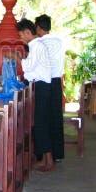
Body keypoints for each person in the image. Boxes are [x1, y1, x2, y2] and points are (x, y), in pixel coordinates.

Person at [13, 18, 55, 172]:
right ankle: (45, 159)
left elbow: (28, 68)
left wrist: (17, 58)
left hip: (42, 87)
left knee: (41, 124)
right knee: (41, 123)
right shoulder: (36, 46)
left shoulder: (36, 46)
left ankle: (48, 162)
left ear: (28, 32)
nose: (20, 38)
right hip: (41, 86)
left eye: (21, 35)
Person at [35, 14, 66, 165]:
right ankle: (58, 153)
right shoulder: (59, 41)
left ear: (38, 28)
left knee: (44, 118)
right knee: (56, 117)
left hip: (45, 82)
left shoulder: (39, 43)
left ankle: (44, 154)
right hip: (56, 82)